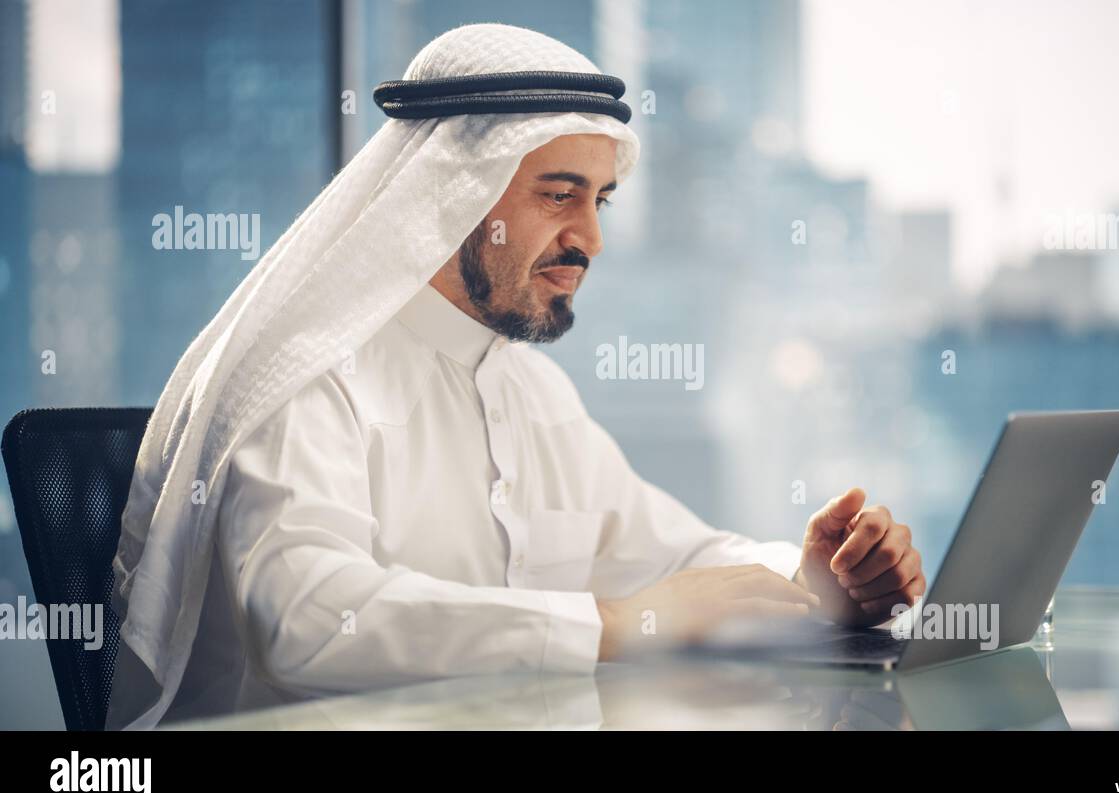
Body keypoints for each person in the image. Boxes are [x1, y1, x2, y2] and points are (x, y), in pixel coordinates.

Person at [106, 23, 924, 730]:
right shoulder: (314, 376)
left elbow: (668, 555)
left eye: (599, 199)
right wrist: (608, 625)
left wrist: (809, 578)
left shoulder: (530, 392)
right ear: (453, 195)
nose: (589, 239)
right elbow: (308, 616)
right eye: (559, 195)